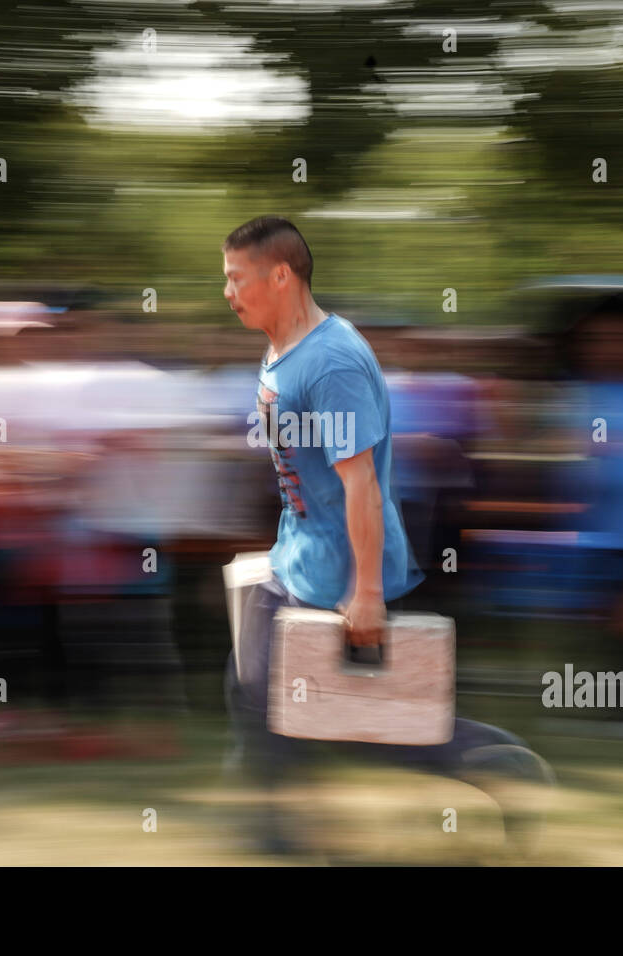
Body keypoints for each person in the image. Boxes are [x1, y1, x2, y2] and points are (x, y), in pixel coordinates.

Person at [219, 215, 553, 856]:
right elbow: (304, 474)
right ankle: (285, 835)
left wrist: (366, 593)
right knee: (269, 696)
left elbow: (362, 486)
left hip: (338, 572)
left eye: (237, 279)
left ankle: (479, 761)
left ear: (281, 275)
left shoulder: (332, 362)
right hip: (302, 559)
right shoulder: (282, 347)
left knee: (314, 709)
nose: (228, 293)